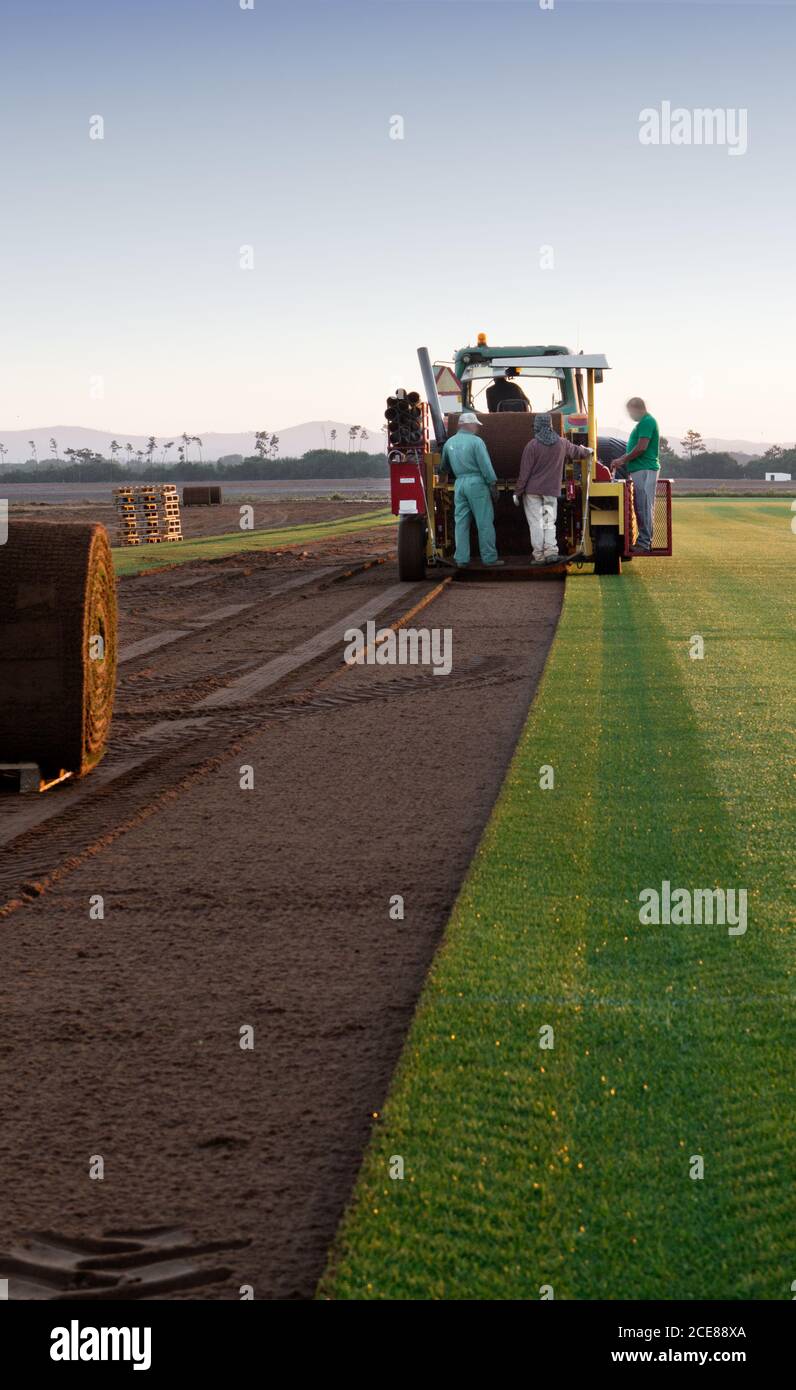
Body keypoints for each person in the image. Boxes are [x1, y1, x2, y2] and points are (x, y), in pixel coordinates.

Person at [513, 413, 593, 565]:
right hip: (550, 491)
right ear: (551, 425)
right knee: (549, 521)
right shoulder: (562, 443)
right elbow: (578, 452)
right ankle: (551, 552)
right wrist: (588, 450)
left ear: (537, 426)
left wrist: (517, 492)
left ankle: (539, 556)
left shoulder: (532, 445)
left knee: (536, 523)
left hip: (532, 492)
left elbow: (524, 473)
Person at [440, 412, 504, 567]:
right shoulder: (477, 442)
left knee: (461, 522)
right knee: (484, 522)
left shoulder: (449, 443)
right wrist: (492, 483)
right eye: (475, 424)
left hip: (459, 484)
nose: (477, 427)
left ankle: (461, 559)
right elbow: (485, 465)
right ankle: (489, 558)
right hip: (477, 484)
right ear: (466, 424)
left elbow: (444, 467)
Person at [610, 398, 660, 552]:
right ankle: (643, 541)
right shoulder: (644, 422)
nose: (629, 415)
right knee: (642, 506)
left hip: (645, 469)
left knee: (644, 506)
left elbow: (641, 447)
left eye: (630, 411)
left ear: (637, 408)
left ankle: (644, 544)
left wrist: (622, 460)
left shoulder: (647, 422)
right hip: (641, 469)